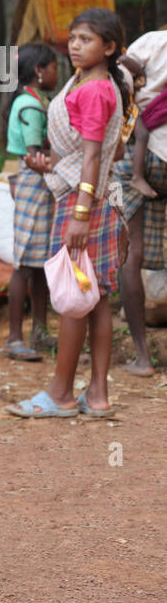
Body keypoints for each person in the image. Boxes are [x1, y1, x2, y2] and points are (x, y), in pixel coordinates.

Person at [8, 8, 132, 418]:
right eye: (73, 38)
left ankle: (60, 393)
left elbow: (95, 155)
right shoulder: (87, 82)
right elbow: (86, 149)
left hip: (86, 203)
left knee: (72, 299)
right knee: (94, 299)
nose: (76, 46)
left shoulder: (96, 89)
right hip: (94, 197)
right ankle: (96, 395)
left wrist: (80, 213)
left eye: (87, 39)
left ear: (109, 48)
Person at [2, 43, 60, 361]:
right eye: (53, 67)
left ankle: (39, 331)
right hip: (35, 184)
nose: (57, 72)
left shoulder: (35, 100)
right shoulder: (31, 106)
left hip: (38, 184)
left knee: (40, 265)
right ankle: (14, 337)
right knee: (24, 264)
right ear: (39, 71)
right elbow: (36, 155)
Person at [114, 31, 167, 376]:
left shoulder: (154, 41)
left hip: (140, 152)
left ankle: (142, 358)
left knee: (129, 252)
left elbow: (121, 77)